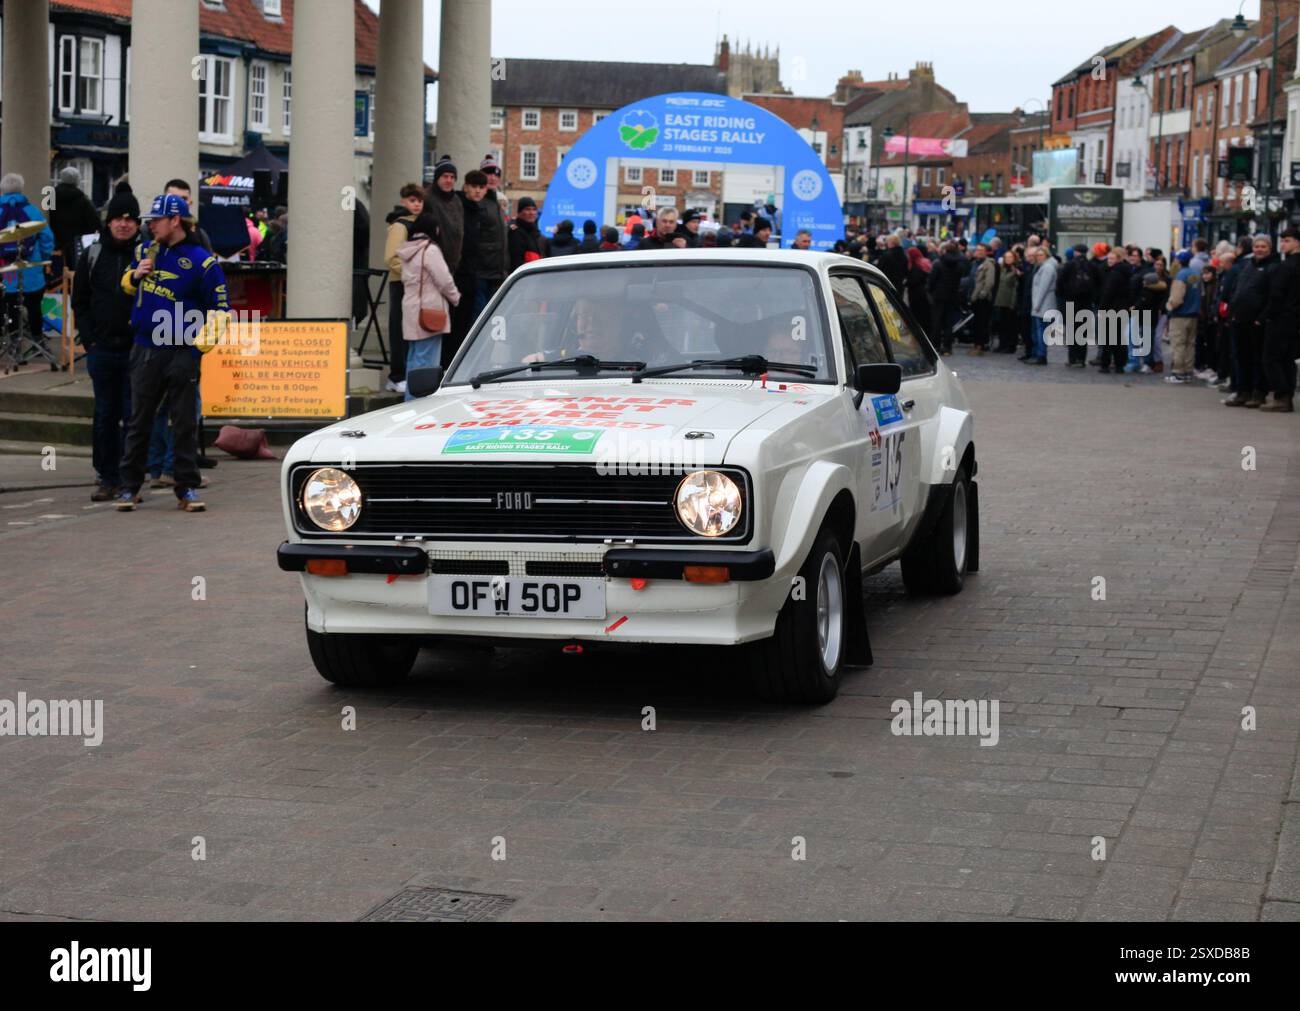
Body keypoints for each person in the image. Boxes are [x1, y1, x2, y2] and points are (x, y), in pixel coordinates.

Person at [115, 193, 229, 513]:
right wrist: (135, 275)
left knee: (183, 423)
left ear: (176, 220)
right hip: (145, 347)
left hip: (182, 351)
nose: (150, 226)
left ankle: (186, 488)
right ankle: (129, 487)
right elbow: (126, 286)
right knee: (138, 421)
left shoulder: (203, 262)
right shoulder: (144, 251)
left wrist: (197, 349)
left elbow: (221, 310)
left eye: (157, 220)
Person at [73, 188, 141, 500]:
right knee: (104, 416)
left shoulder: (145, 257)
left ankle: (130, 480)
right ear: (109, 221)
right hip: (101, 349)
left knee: (132, 416)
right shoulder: (92, 255)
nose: (123, 224)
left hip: (135, 350)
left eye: (129, 219)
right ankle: (106, 476)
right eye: (118, 218)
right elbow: (80, 301)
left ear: (137, 224)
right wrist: (89, 339)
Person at [397, 212, 459, 402]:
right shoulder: (430, 250)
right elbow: (444, 280)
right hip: (429, 312)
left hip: (411, 309)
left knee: (414, 359)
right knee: (427, 362)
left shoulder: (407, 250)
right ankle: (419, 403)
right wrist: (455, 297)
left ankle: (409, 400)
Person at [0, 172, 55, 363]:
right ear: (21, 189)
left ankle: (15, 344)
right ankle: (38, 341)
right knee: (34, 306)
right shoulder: (32, 211)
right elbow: (47, 237)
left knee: (11, 307)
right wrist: (44, 257)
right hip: (31, 269)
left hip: (6, 272)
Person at [381, 182, 425, 393]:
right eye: (412, 200)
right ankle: (396, 375)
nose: (416, 204)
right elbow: (392, 257)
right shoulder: (400, 226)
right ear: (403, 201)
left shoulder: (421, 222)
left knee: (413, 330)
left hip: (416, 283)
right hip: (401, 282)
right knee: (399, 330)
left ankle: (406, 373)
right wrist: (413, 273)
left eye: (420, 201)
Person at [1224, 236, 1275, 407]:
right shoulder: (1247, 266)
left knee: (1257, 358)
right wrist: (1232, 311)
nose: (1259, 249)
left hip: (1256, 321)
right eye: (1256, 246)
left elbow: (1273, 296)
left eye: (1263, 246)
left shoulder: (1272, 267)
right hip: (1239, 318)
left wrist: (1262, 317)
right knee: (1241, 357)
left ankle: (1258, 393)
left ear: (1269, 248)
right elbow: (1236, 289)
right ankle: (1243, 391)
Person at [1259, 226, 1300, 412]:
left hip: (1281, 318)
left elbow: (1277, 295)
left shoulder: (1286, 267)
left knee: (1271, 358)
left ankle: (1281, 396)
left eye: (1287, 241)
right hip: (1294, 319)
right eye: (1282, 241)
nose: (1283, 244)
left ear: (1297, 243)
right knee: (1287, 359)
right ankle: (1286, 397)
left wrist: (1265, 316)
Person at [48, 166, 101, 271]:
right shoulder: (82, 200)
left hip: (56, 242)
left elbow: (47, 217)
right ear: (77, 181)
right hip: (77, 244)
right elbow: (95, 222)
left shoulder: (51, 198)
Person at [1163, 250, 1201, 384]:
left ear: (1179, 260)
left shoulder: (1180, 275)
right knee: (1190, 344)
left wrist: (1169, 307)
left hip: (1180, 315)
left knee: (1178, 344)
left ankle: (1178, 372)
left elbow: (1176, 299)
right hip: (1193, 314)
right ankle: (1188, 371)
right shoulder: (1195, 273)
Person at [423, 156, 464, 275]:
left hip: (452, 264)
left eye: (452, 177)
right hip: (432, 263)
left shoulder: (456, 200)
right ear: (437, 178)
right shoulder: (427, 198)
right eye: (445, 176)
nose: (449, 180)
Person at [928, 241, 964, 355]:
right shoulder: (959, 265)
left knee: (936, 321)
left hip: (938, 295)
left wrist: (930, 290)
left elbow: (932, 280)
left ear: (945, 250)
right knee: (948, 322)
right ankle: (947, 346)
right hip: (952, 295)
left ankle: (935, 345)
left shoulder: (938, 263)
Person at [1028, 245, 1057, 365]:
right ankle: (1039, 354)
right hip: (1041, 304)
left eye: (1041, 255)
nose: (1039, 257)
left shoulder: (1048, 268)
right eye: (1037, 255)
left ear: (1046, 255)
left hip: (1044, 304)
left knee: (1041, 331)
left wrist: (1036, 305)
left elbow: (1043, 288)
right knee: (1039, 330)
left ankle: (1041, 355)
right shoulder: (1043, 266)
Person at [507, 196, 548, 270]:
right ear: (519, 212)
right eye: (527, 209)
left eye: (534, 209)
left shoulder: (536, 233)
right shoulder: (515, 232)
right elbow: (515, 261)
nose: (531, 213)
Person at [969, 243, 995, 354]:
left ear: (985, 252)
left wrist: (982, 294)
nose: (978, 252)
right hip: (974, 297)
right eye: (977, 250)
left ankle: (980, 346)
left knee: (981, 323)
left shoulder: (988, 264)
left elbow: (990, 282)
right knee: (976, 323)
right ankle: (976, 344)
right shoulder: (975, 263)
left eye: (981, 250)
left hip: (982, 299)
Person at [992, 250, 1020, 353]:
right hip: (1001, 300)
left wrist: (1013, 303)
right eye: (1006, 257)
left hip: (1010, 301)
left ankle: (1010, 345)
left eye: (1010, 257)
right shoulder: (1002, 269)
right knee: (1002, 324)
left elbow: (1015, 287)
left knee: (1011, 324)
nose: (1008, 259)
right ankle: (1002, 344)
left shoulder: (1016, 270)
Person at [904, 245, 931, 337]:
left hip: (917, 294)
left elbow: (913, 281)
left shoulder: (915, 267)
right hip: (923, 294)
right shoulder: (924, 264)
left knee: (917, 315)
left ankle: (919, 334)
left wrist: (906, 282)